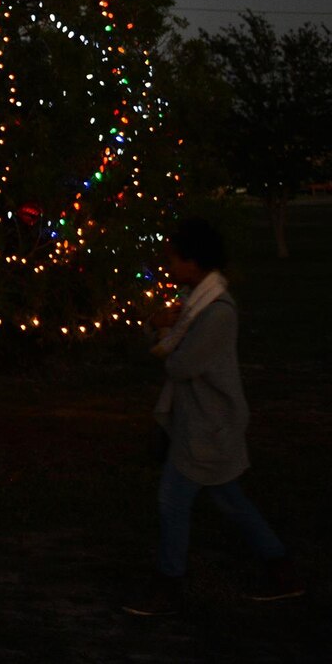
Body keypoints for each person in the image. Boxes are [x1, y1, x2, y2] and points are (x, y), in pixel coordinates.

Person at [124, 219, 301, 615]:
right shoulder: (198, 303)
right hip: (202, 421)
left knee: (174, 501)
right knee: (229, 500)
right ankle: (281, 569)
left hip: (209, 425)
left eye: (173, 258)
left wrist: (159, 330)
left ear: (193, 261)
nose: (169, 266)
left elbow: (181, 366)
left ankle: (168, 585)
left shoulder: (216, 312)